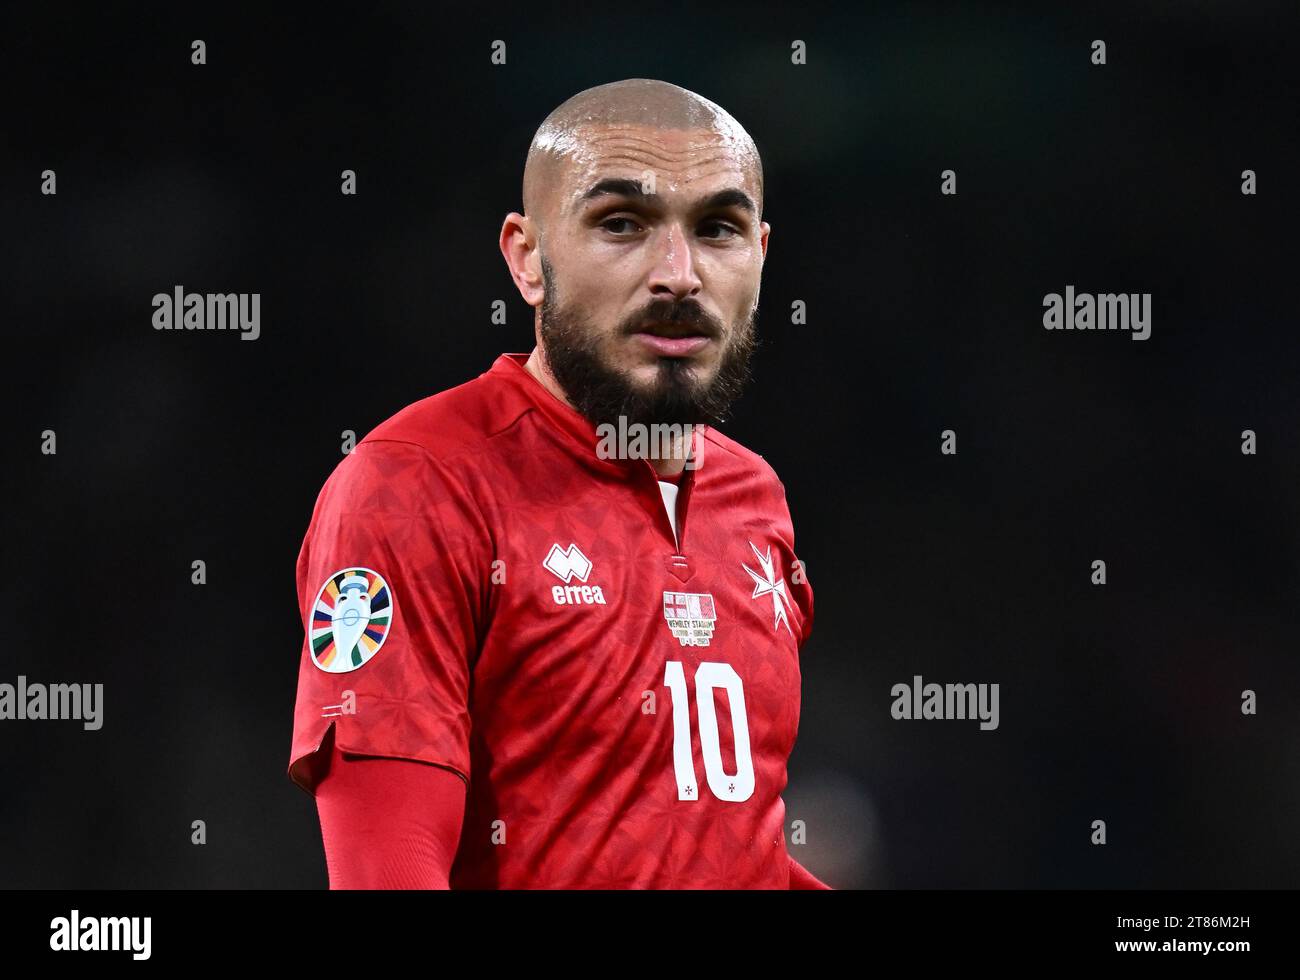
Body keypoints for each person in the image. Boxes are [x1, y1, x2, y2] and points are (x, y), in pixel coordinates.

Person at [288, 78, 828, 889]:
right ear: (527, 259)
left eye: (718, 229)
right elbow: (387, 873)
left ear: (758, 256)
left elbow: (722, 855)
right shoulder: (414, 486)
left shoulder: (756, 501)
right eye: (622, 224)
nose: (679, 275)